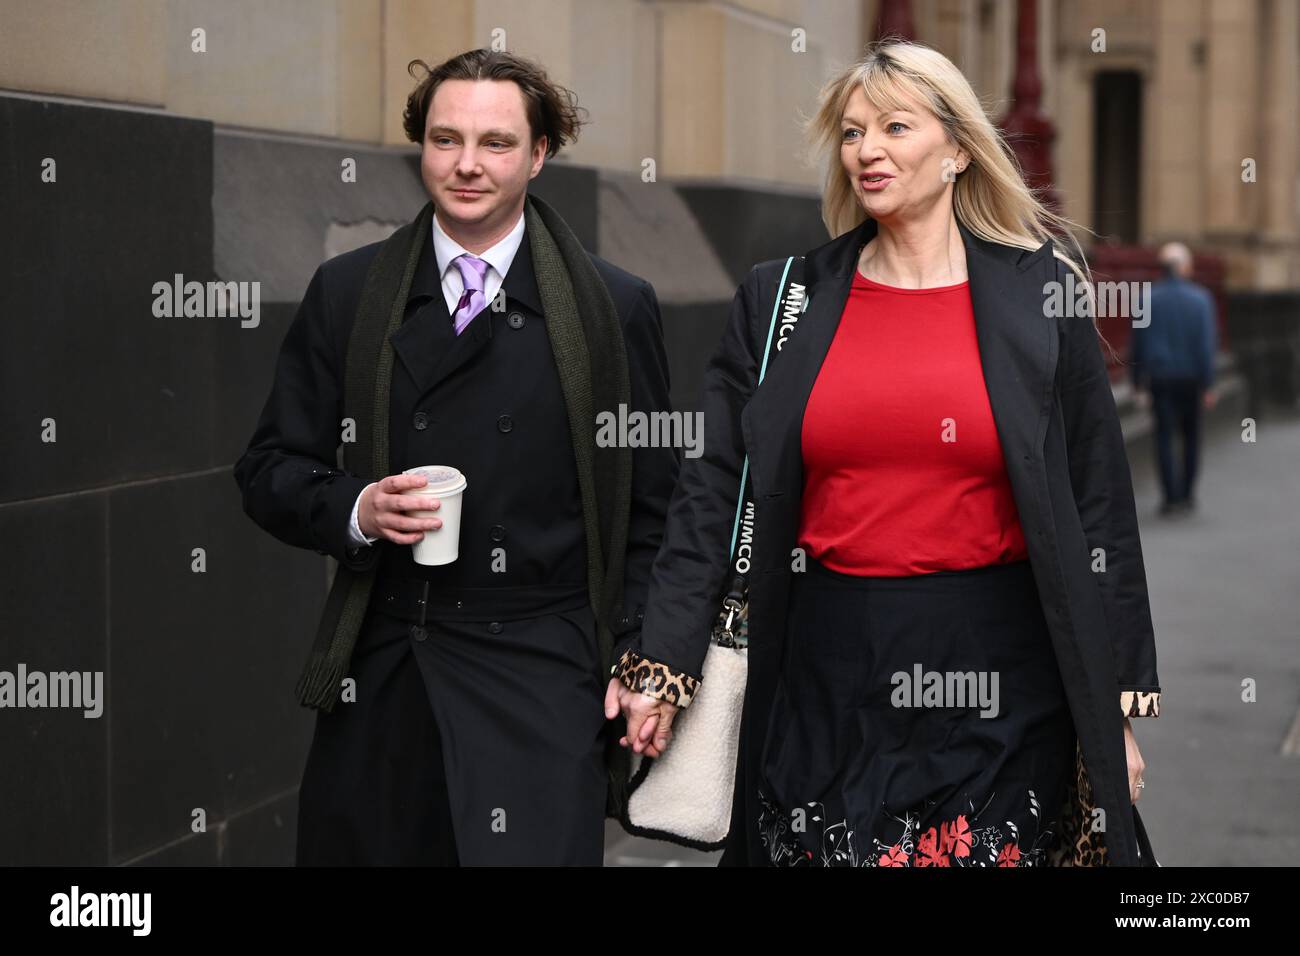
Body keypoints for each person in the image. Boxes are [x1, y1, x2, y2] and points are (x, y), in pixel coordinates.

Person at [610, 40, 1161, 867]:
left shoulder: (1041, 295)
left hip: (1001, 680)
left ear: (957, 150)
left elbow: (1100, 504)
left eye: (895, 127)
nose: (867, 149)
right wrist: (664, 659)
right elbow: (711, 491)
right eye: (852, 132)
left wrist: (1111, 712)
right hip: (824, 673)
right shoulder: (784, 299)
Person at [233, 48, 678, 865]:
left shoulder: (613, 309)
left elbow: (656, 512)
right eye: (446, 140)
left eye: (496, 142)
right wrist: (357, 509)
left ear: (539, 154)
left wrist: (645, 658)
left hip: (543, 675)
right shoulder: (349, 292)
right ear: (422, 147)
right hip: (386, 666)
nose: (467, 164)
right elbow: (268, 470)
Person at [1131, 242, 1218, 516]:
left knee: (1164, 436)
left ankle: (1170, 497)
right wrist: (1209, 383)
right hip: (1191, 377)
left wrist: (1137, 382)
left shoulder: (1147, 298)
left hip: (1161, 377)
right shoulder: (1201, 299)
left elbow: (1139, 344)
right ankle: (1187, 494)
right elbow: (1206, 345)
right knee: (1191, 436)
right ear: (1184, 267)